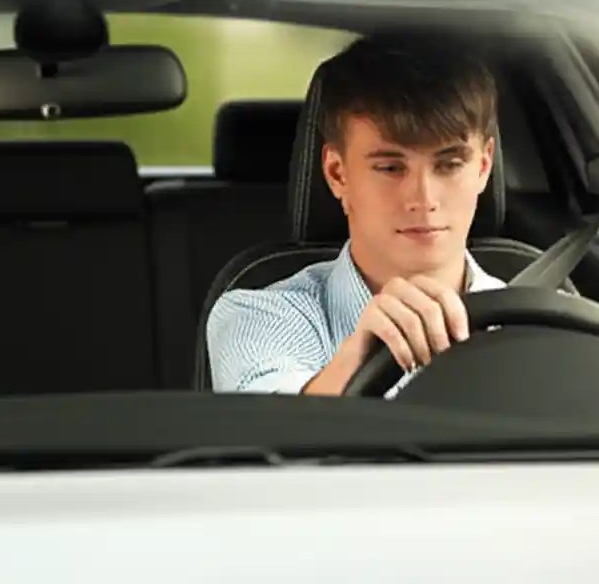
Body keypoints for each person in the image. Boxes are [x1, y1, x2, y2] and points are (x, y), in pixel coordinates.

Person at [207, 33, 506, 396]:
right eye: (391, 168)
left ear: (483, 166)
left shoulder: (544, 321)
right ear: (337, 173)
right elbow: (268, 435)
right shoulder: (260, 318)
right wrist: (358, 361)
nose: (424, 198)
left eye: (449, 165)